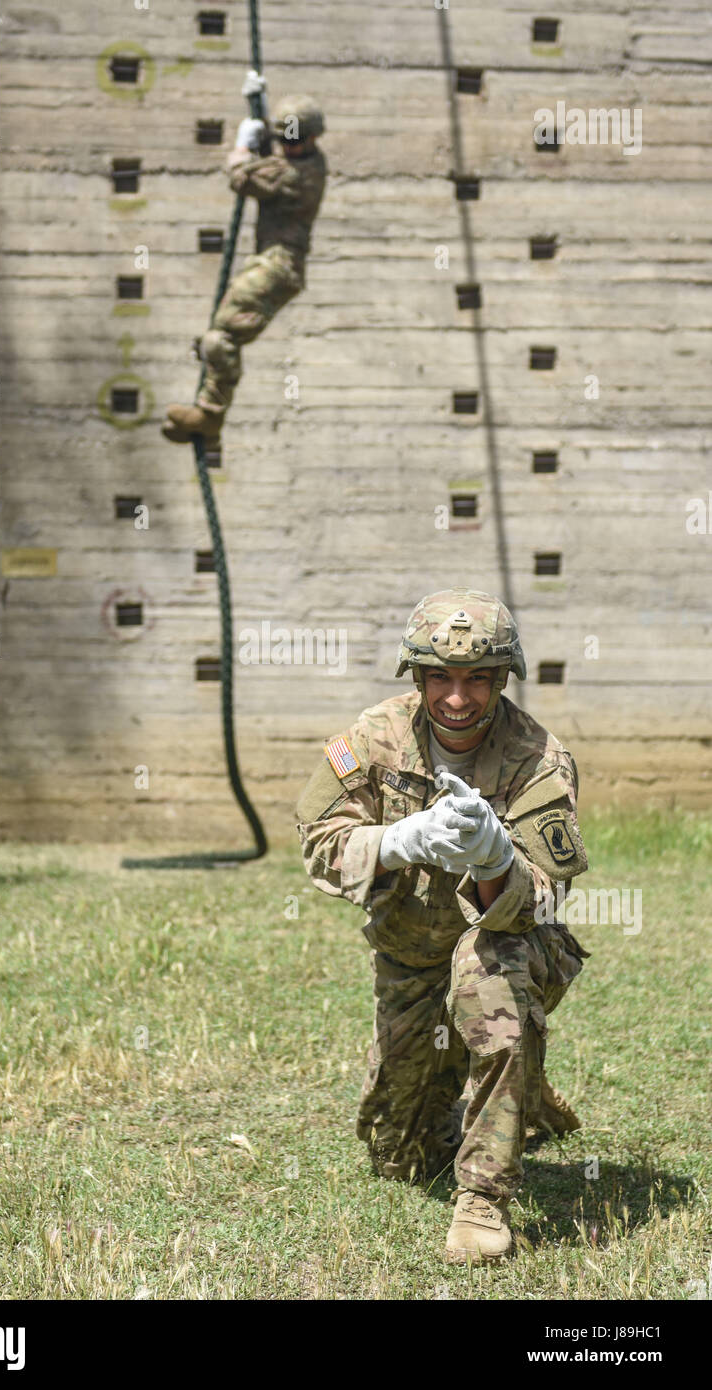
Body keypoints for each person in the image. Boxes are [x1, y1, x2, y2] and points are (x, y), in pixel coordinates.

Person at [295, 588, 590, 1263]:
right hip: (410, 957)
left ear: (502, 678)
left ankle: (483, 1200)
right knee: (401, 1156)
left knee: (482, 971)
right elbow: (318, 840)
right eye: (441, 677)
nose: (458, 697)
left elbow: (546, 896)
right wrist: (400, 840)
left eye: (478, 679)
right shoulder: (372, 738)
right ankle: (518, 1087)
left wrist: (494, 857)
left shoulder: (538, 759)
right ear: (417, 676)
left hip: (507, 947)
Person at [162, 74, 327, 444]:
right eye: (286, 140)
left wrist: (240, 147)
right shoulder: (306, 160)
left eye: (296, 141)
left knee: (221, 338)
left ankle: (209, 415)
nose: (291, 147)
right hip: (274, 262)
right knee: (220, 334)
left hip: (277, 265)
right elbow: (272, 157)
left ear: (313, 139)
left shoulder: (294, 176)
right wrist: (261, 110)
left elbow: (243, 178)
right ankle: (208, 406)